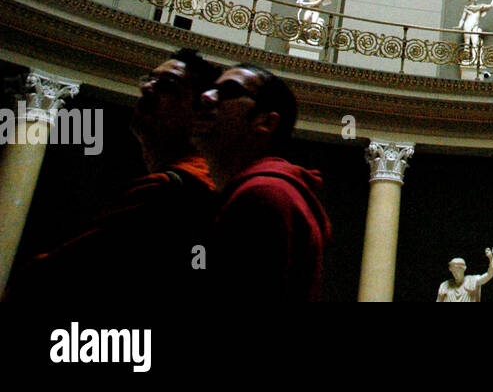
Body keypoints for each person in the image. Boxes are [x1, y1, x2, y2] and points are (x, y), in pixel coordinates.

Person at [3, 49, 220, 302]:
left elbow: (54, 275)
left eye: (167, 85)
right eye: (148, 79)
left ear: (200, 115)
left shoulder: (164, 191)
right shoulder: (204, 185)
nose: (148, 89)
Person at [194, 63, 331, 301]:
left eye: (229, 91)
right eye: (210, 89)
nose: (205, 97)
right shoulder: (264, 190)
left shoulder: (263, 195)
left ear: (266, 122)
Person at [457, 0, 493, 66]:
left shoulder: (479, 7)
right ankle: (467, 59)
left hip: (475, 26)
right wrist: (459, 26)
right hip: (468, 25)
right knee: (467, 44)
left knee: (475, 42)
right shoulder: (467, 8)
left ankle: (475, 59)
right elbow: (463, 18)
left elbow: (491, 6)